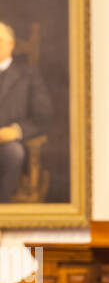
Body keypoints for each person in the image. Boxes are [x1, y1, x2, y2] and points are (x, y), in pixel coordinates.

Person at [0, 21, 52, 202]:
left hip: (7, 143)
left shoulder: (28, 74)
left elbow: (43, 116)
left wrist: (16, 131)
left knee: (14, 153)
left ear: (11, 45)